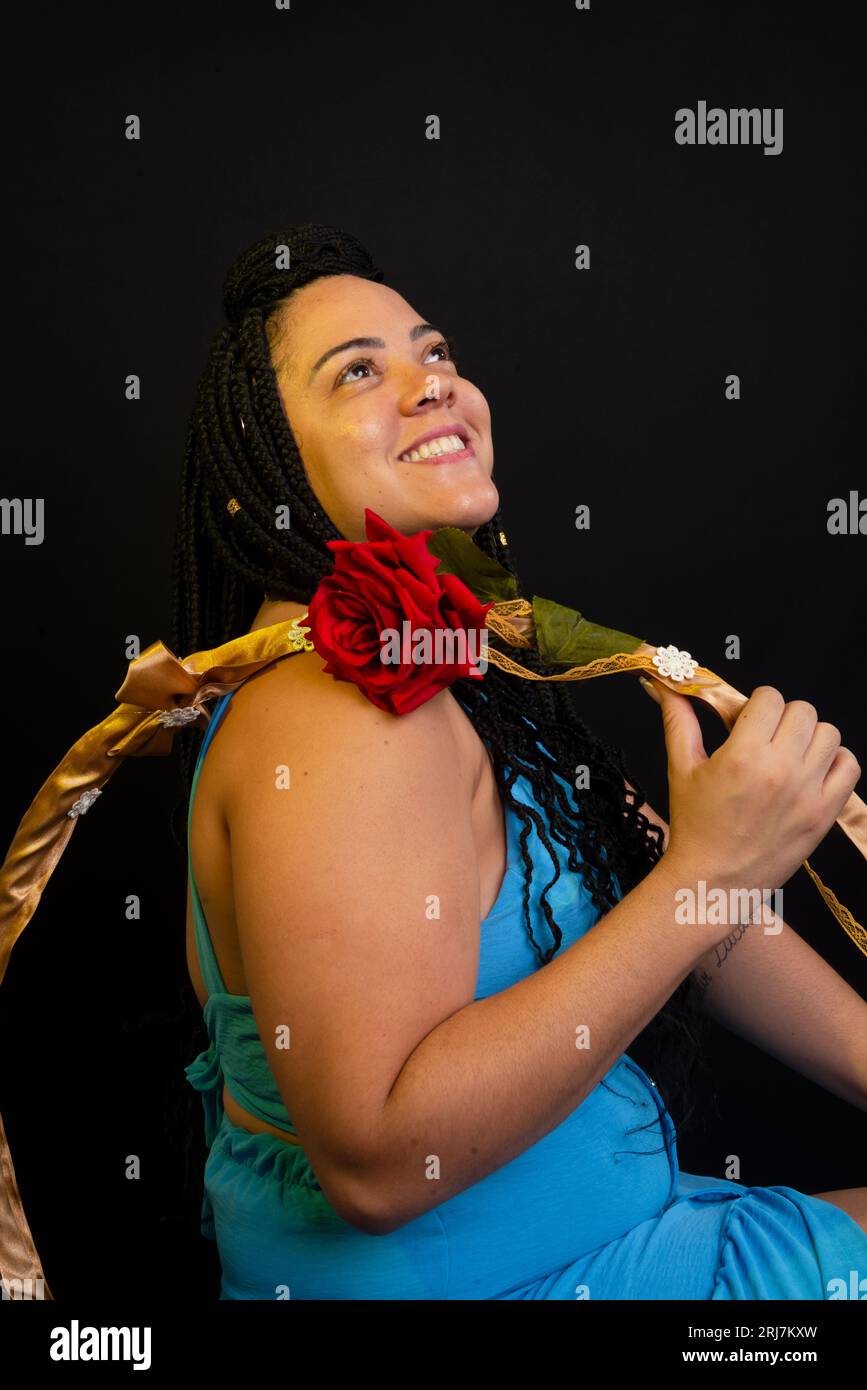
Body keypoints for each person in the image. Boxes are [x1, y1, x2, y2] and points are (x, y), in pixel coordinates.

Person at [1, 224, 865, 1301]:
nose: (431, 386)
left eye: (436, 352)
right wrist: (711, 876)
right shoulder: (334, 718)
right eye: (358, 371)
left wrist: (709, 884)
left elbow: (661, 889)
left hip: (635, 1240)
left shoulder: (448, 670)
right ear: (259, 466)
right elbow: (375, 1160)